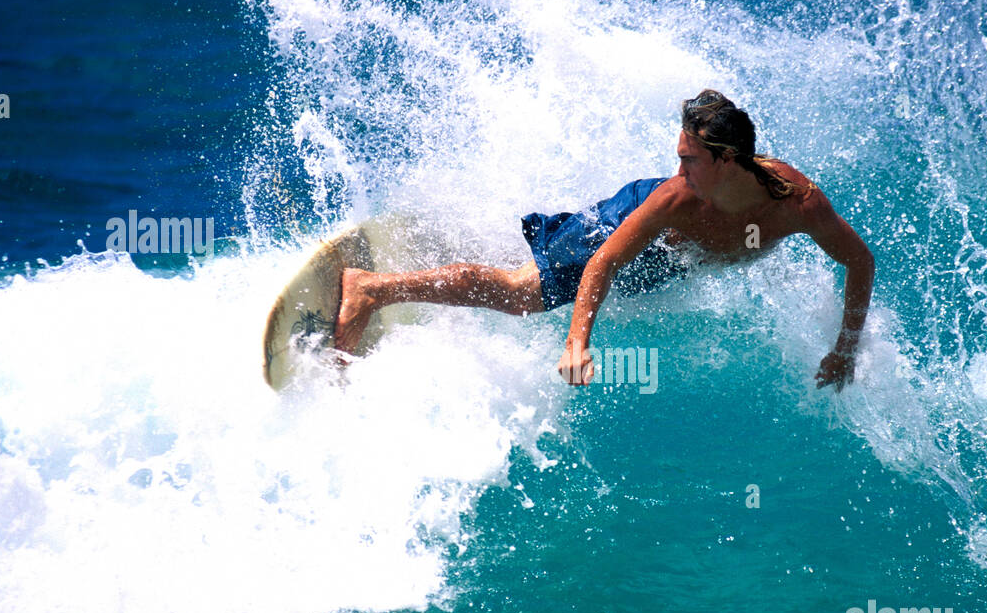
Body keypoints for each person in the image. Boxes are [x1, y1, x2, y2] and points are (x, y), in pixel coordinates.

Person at [334, 89, 874, 390]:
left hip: (672, 260)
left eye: (688, 158)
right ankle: (373, 288)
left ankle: (457, 268)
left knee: (533, 281)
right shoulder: (672, 198)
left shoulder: (799, 204)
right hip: (631, 221)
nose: (678, 166)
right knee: (524, 294)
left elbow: (859, 263)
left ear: (727, 160)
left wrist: (845, 349)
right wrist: (576, 343)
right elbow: (605, 264)